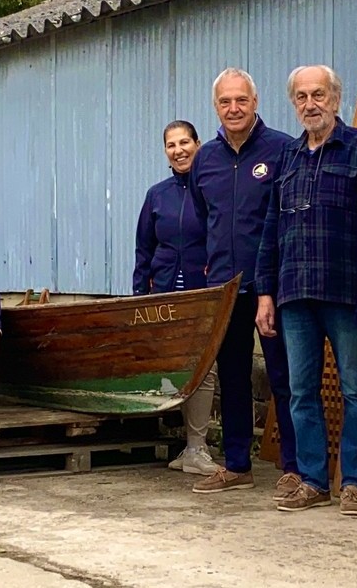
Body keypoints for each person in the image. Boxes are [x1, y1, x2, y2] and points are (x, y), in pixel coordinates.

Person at [256, 64, 357, 515]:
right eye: (302, 96)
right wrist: (265, 293)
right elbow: (271, 228)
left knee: (355, 390)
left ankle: (354, 483)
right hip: (294, 293)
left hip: (347, 290)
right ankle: (312, 480)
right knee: (301, 391)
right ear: (294, 103)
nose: (311, 104)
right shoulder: (287, 157)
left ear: (336, 98)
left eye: (319, 94)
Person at [188, 68, 300, 498]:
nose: (233, 108)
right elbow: (205, 218)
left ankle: (295, 469)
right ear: (215, 106)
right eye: (225, 101)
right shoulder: (205, 159)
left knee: (284, 377)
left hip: (272, 284)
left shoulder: (282, 149)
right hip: (226, 288)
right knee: (233, 377)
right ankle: (237, 465)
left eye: (241, 100)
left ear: (255, 102)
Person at [134, 119, 219, 476]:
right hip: (164, 295)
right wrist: (139, 295)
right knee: (170, 367)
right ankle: (177, 442)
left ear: (198, 145)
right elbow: (144, 249)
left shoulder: (212, 189)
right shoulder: (157, 195)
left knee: (205, 368)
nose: (179, 150)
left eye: (185, 142)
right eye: (171, 145)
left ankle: (197, 448)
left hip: (204, 295)